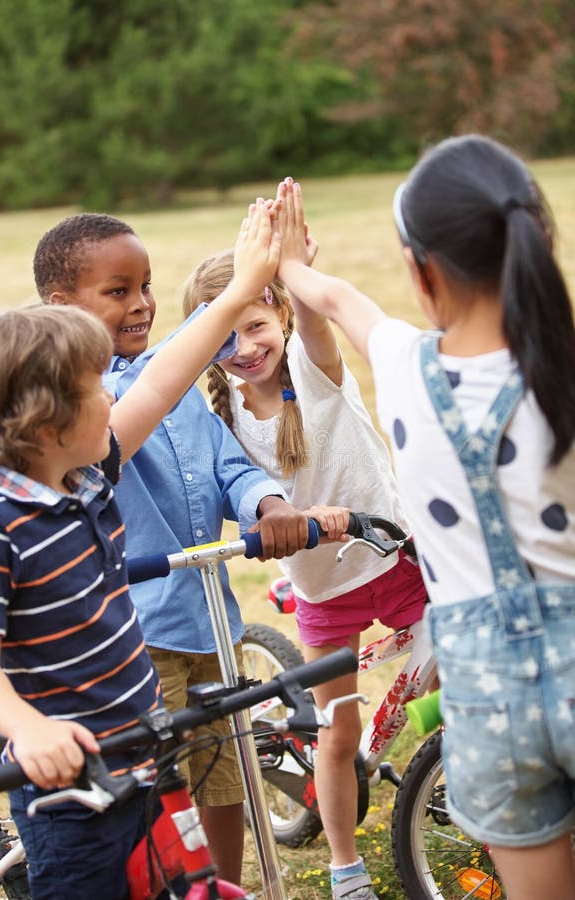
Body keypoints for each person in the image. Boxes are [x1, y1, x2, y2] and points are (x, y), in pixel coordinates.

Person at [269, 141, 575, 900]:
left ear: (418, 269)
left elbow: (341, 302)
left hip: (486, 696)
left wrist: (287, 267)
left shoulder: (407, 369)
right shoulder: (561, 378)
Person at [0, 206, 285, 900]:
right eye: (95, 391)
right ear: (44, 420)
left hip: (146, 752)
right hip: (70, 791)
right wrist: (30, 730)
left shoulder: (86, 481)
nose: (111, 399)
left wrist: (241, 291)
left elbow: (163, 378)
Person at [182, 182, 428, 900]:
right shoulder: (220, 418)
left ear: (281, 314)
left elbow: (322, 320)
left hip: (395, 554)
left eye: (255, 325)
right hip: (324, 591)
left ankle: (445, 782)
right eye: (223, 337)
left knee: (456, 676)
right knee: (338, 736)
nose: (243, 347)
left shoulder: (313, 370)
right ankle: (344, 863)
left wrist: (293, 264)